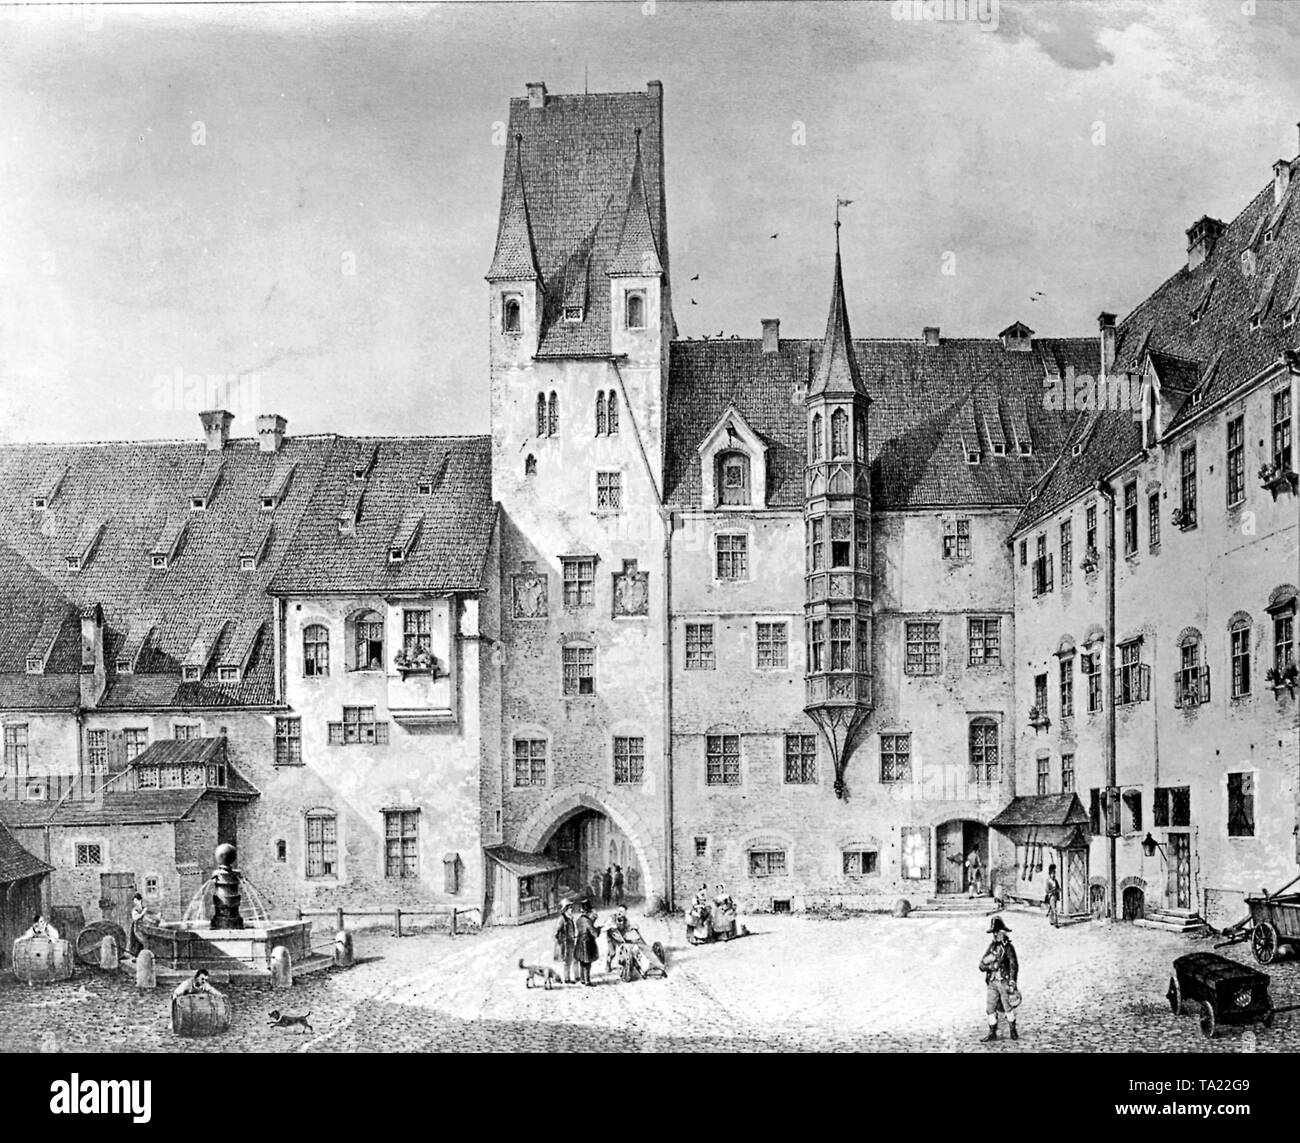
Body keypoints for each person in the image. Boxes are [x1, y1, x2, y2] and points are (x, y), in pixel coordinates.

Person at [978, 916, 1020, 1042]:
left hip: (1004, 981)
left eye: (997, 932)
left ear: (1003, 932)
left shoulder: (1008, 948)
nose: (995, 935)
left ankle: (1013, 1030)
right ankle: (992, 1033)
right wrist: (991, 966)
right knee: (990, 1008)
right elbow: (981, 965)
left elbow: (1013, 965)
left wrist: (1012, 981)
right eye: (994, 932)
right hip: (992, 982)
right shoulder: (991, 947)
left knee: (1008, 1007)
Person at [573, 901, 602, 986]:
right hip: (587, 943)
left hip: (579, 942)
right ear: (588, 911)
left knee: (582, 962)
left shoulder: (578, 920)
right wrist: (599, 929)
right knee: (587, 963)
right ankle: (587, 981)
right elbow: (595, 934)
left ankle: (582, 979)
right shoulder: (587, 921)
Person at [553, 899, 577, 984]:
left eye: (572, 907)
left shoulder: (570, 918)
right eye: (570, 908)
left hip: (571, 942)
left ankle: (576, 976)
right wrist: (559, 941)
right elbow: (556, 932)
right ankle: (567, 979)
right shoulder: (562, 919)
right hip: (565, 943)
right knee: (567, 961)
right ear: (565, 909)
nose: (572, 909)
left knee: (573, 959)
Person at [605, 905, 631, 972]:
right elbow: (605, 925)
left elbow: (628, 928)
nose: (619, 913)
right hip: (611, 937)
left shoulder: (626, 920)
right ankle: (608, 965)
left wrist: (632, 928)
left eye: (621, 912)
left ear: (625, 913)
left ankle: (626, 965)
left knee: (626, 950)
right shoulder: (612, 918)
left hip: (620, 937)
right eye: (618, 911)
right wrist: (611, 925)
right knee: (612, 953)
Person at [1044, 864, 1062, 928]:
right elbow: (1047, 891)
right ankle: (1056, 923)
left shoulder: (1055, 881)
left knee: (1052, 909)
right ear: (1050, 874)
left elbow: (1059, 888)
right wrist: (1053, 890)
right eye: (1052, 873)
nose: (1053, 875)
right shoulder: (1048, 881)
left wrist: (1058, 890)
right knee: (1055, 910)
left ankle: (1051, 921)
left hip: (1055, 896)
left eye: (1054, 873)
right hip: (1051, 897)